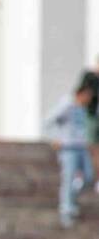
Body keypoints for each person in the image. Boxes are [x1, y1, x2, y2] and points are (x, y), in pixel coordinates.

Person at [44, 75, 96, 226]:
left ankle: (70, 197)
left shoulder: (86, 109)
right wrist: (54, 138)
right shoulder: (67, 104)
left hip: (82, 147)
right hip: (68, 148)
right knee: (68, 178)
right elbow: (49, 121)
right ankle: (67, 210)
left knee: (88, 177)